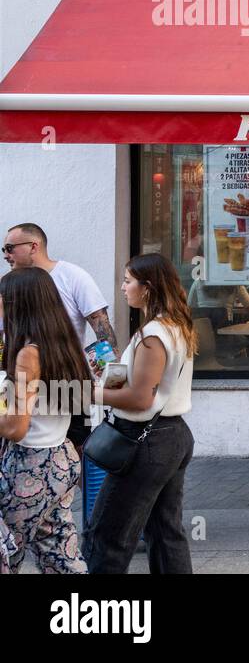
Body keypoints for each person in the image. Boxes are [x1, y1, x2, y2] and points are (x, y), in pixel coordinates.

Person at [85, 254, 198, 574]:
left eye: (127, 281)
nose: (122, 288)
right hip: (171, 436)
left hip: (145, 442)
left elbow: (138, 398)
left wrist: (89, 394)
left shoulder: (153, 336)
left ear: (147, 288)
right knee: (165, 533)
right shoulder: (176, 326)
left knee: (108, 536)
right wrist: (112, 371)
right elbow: (144, 384)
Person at [0, 267, 92, 573]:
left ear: (18, 303)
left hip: (30, 466)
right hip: (60, 457)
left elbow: (16, 427)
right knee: (60, 554)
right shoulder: (61, 343)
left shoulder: (27, 353)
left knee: (7, 550)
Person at [3, 222, 116, 353]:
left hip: (63, 371)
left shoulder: (73, 276)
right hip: (20, 371)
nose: (5, 255)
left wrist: (108, 365)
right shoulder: (8, 282)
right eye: (4, 250)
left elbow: (102, 327)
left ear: (33, 247)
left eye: (10, 248)